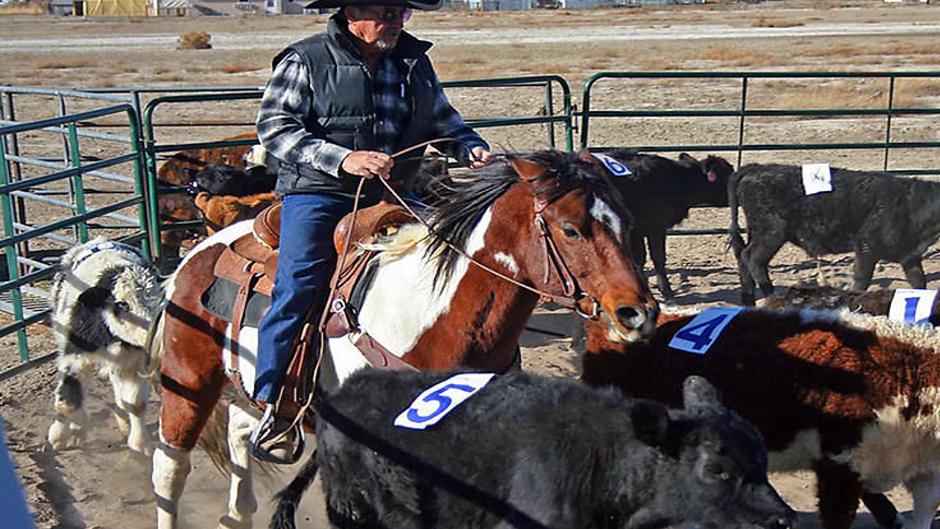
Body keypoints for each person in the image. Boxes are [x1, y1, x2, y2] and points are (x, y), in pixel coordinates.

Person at [252, 0, 493, 463]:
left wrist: (472, 148)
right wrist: (343, 159)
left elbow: (444, 119)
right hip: (320, 192)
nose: (396, 22)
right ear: (352, 11)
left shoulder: (413, 61)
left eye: (402, 12)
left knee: (455, 258)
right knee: (298, 284)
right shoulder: (305, 59)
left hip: (397, 189)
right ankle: (276, 403)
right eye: (386, 12)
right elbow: (274, 128)